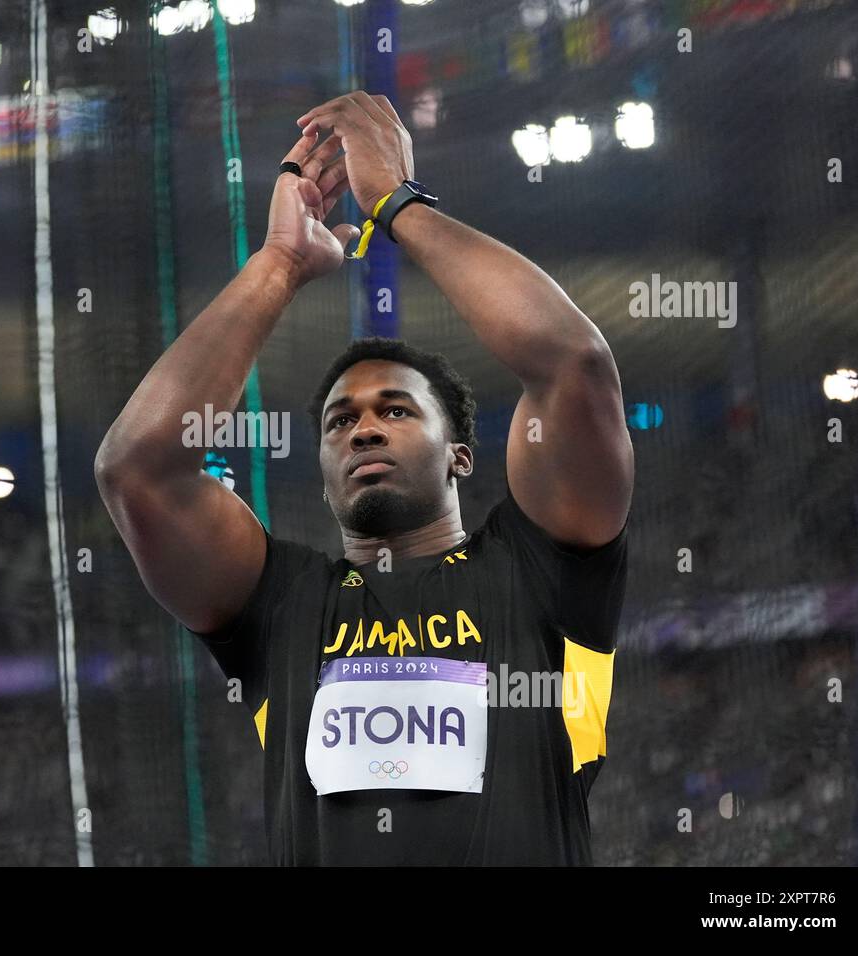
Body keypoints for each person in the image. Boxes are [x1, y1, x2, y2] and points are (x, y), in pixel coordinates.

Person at [95, 91, 634, 864]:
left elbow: (573, 365)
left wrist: (396, 205)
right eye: (341, 422)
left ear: (460, 455)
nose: (365, 427)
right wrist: (279, 266)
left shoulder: (542, 568)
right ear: (322, 476)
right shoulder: (280, 605)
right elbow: (137, 467)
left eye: (396, 411)